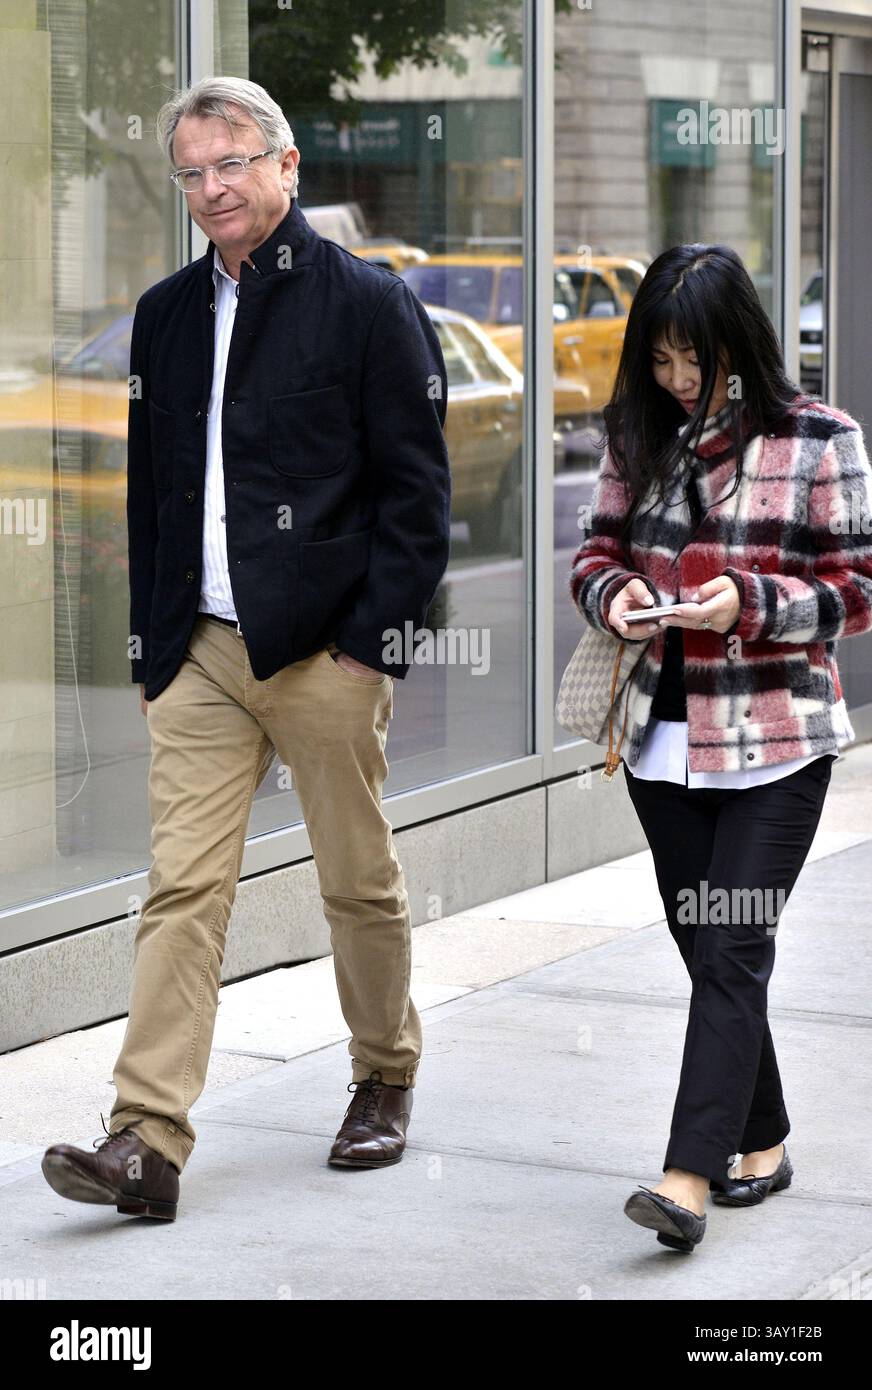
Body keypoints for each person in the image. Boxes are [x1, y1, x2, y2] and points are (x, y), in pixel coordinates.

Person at [41, 76, 451, 1222]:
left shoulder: (366, 304)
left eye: (231, 163)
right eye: (191, 172)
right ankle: (145, 1140)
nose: (211, 189)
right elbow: (149, 495)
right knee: (180, 889)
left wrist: (370, 648)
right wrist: (151, 652)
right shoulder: (167, 313)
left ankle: (383, 1073)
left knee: (354, 881)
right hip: (202, 656)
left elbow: (418, 501)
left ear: (286, 167)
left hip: (323, 653)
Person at [570, 242, 872, 1252]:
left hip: (777, 741)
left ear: (738, 339)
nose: (675, 379)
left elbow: (856, 590)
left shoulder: (821, 438)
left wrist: (749, 603)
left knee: (732, 946)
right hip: (660, 743)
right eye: (657, 360)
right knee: (709, 952)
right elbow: (595, 553)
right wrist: (612, 597)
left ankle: (683, 1176)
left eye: (691, 358)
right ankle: (762, 1137)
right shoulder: (637, 433)